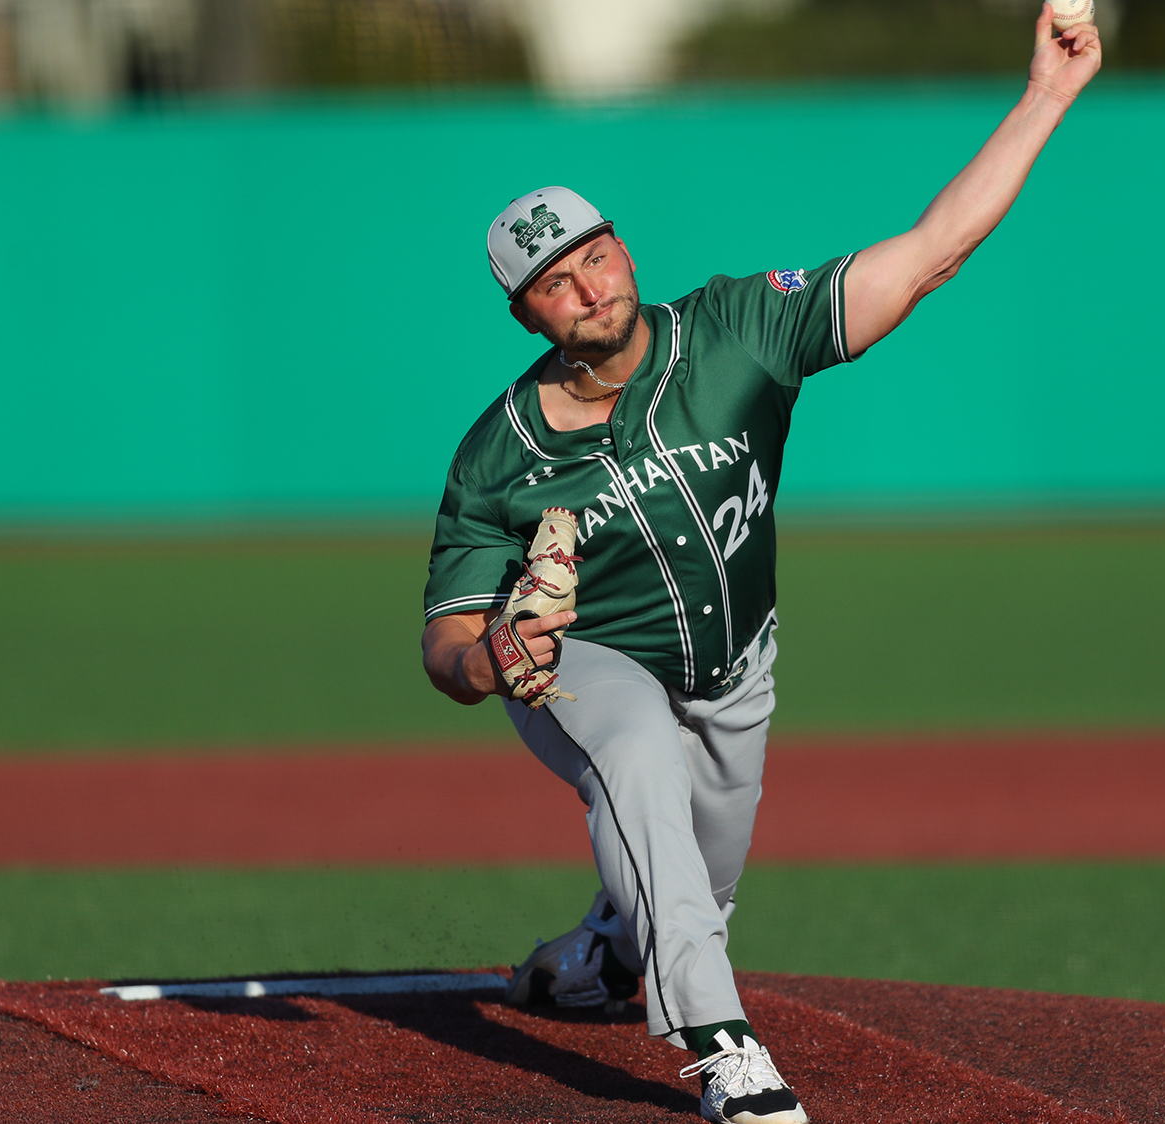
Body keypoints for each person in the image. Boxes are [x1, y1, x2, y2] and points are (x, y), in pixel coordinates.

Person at [420, 9, 1102, 1122]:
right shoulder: (502, 454)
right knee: (634, 762)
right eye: (555, 279)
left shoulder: (736, 331)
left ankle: (598, 958)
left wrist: (1046, 97)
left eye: (596, 253)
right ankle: (724, 1048)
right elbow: (443, 641)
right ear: (524, 314)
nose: (589, 285)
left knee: (695, 883)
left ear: (623, 249)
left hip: (736, 664)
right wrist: (491, 654)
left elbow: (927, 255)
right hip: (588, 659)